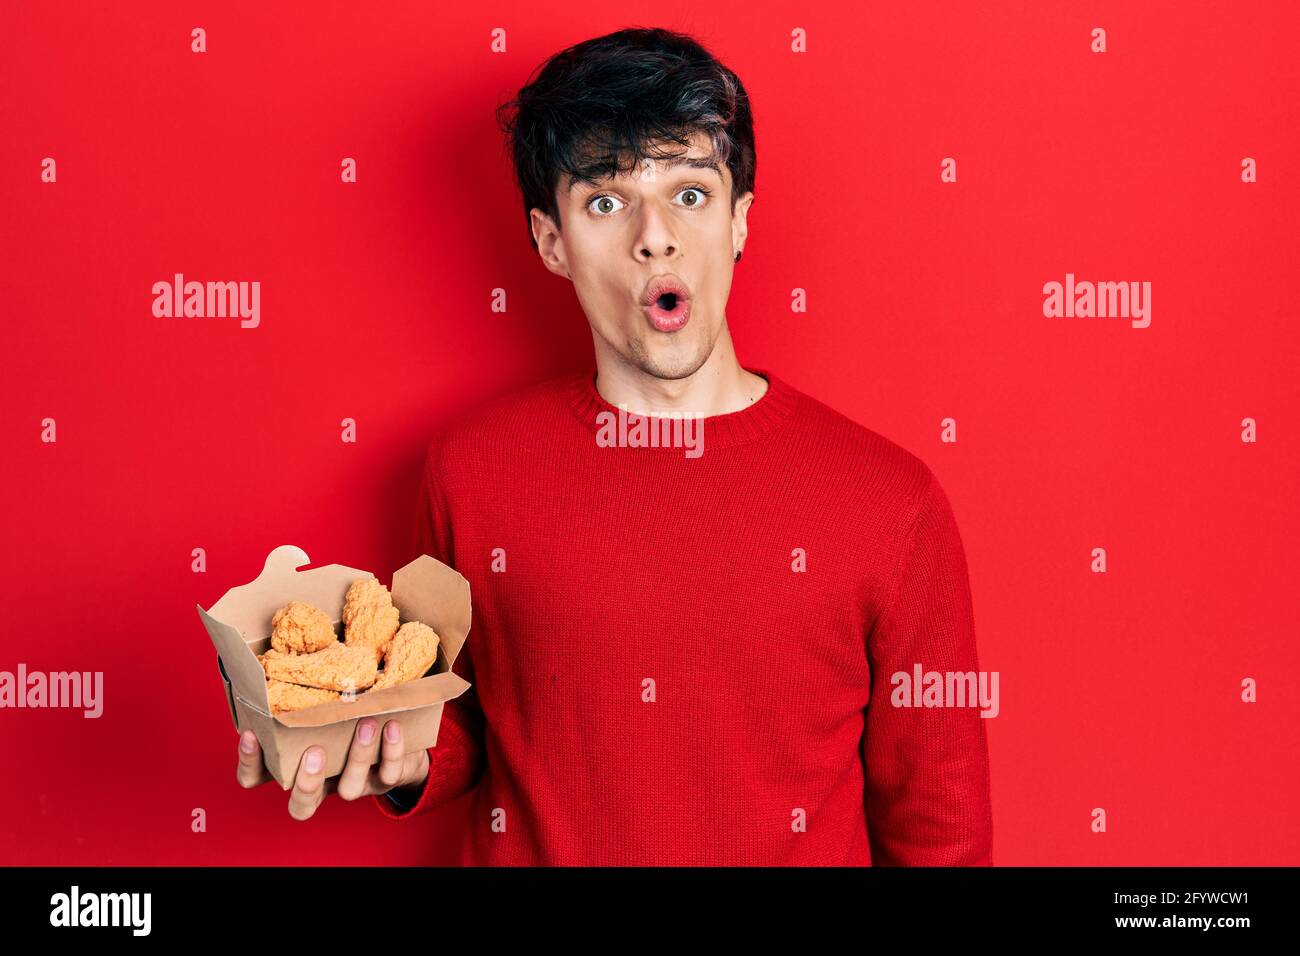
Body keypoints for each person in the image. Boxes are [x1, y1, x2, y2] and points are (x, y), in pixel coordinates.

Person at [237, 26, 994, 865]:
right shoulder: (473, 468)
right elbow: (467, 724)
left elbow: (941, 829)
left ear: (740, 222)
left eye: (692, 194)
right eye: (605, 200)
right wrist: (395, 755)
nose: (655, 236)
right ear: (551, 241)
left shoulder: (891, 501)